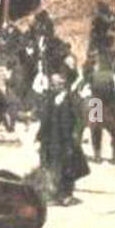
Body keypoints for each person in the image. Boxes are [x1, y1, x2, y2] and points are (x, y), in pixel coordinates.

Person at [37, 71, 89, 206]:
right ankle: (54, 194)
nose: (53, 87)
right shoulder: (50, 98)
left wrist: (77, 135)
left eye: (55, 84)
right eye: (52, 84)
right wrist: (40, 135)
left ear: (62, 84)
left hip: (66, 139)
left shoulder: (72, 99)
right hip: (51, 138)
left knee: (68, 167)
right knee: (52, 166)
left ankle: (66, 195)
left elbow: (80, 119)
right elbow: (45, 118)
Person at [87, 51, 115, 164]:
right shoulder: (114, 76)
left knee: (95, 130)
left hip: (95, 103)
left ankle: (97, 155)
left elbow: (88, 88)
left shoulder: (93, 75)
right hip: (108, 105)